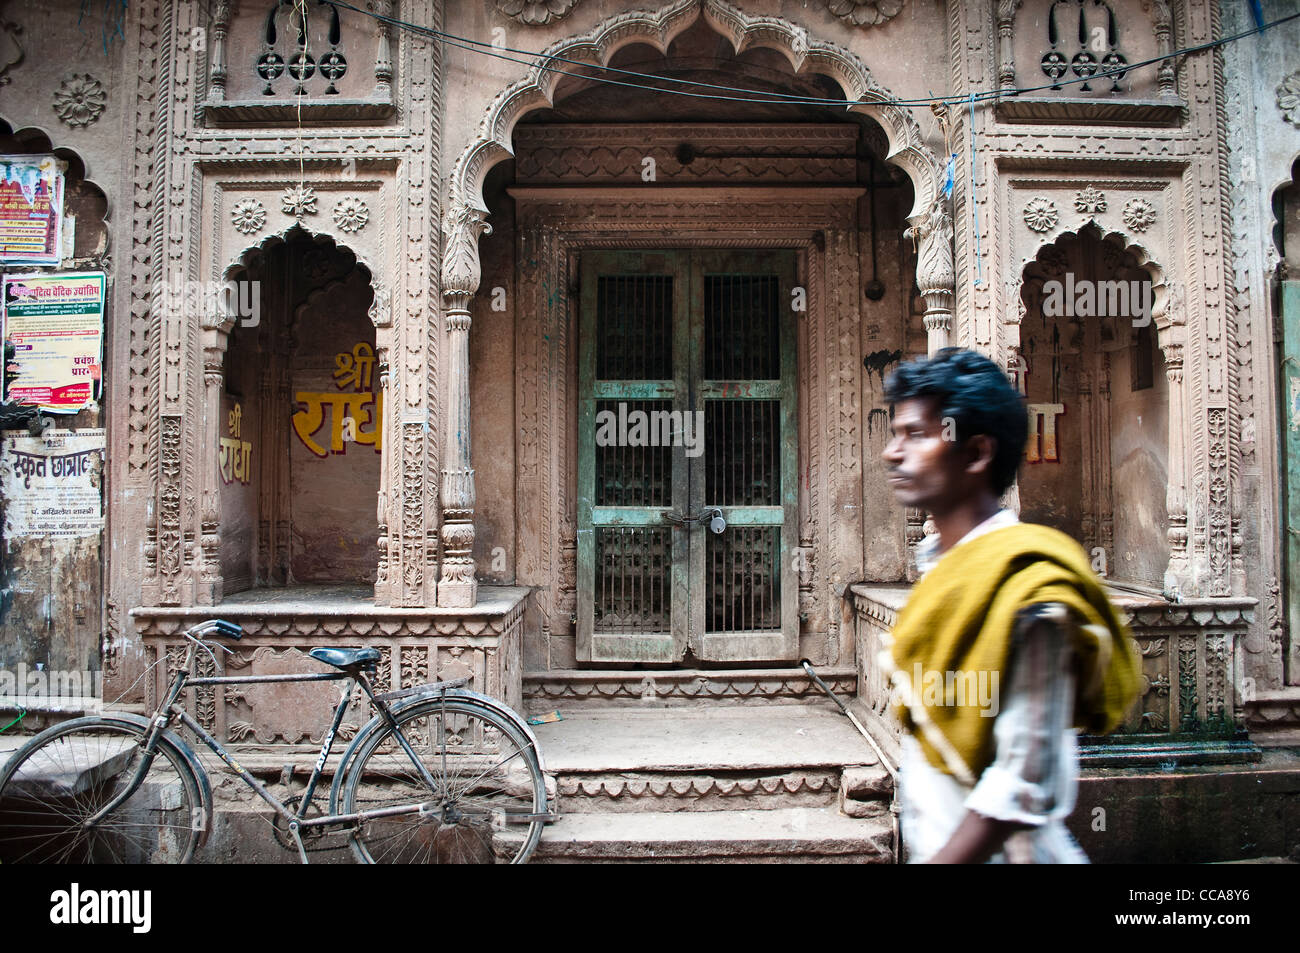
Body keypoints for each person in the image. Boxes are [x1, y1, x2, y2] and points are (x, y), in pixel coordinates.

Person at [879, 347, 1139, 864]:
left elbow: (1022, 784)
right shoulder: (945, 572)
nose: (892, 451)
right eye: (895, 433)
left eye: (917, 434)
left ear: (976, 453)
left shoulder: (1031, 589)